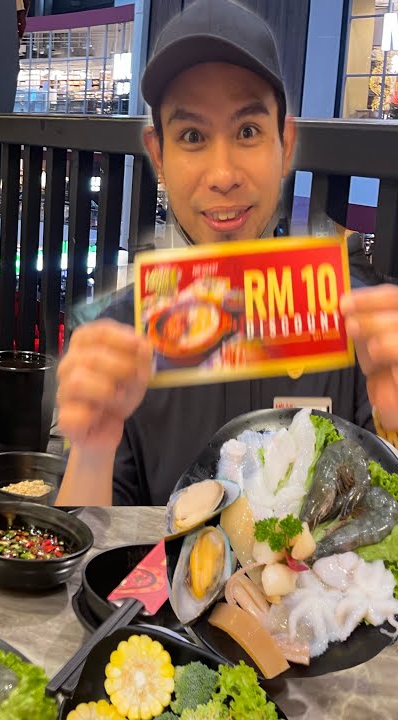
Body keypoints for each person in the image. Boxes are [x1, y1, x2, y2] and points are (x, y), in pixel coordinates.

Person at [56, 0, 398, 506]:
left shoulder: (362, 322)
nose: (223, 174)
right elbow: (91, 556)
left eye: (248, 131)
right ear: (159, 155)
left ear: (285, 142)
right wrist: (90, 450)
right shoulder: (120, 336)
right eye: (192, 135)